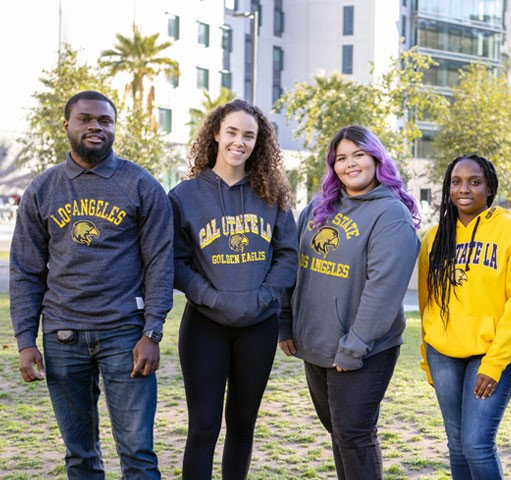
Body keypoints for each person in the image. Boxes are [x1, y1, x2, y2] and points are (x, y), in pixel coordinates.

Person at [9, 90, 174, 479]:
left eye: (105, 120)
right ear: (67, 125)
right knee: (80, 454)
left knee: (138, 453)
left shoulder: (140, 184)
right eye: (85, 119)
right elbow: (26, 270)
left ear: (114, 127)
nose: (95, 126)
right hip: (63, 336)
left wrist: (152, 330)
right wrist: (25, 341)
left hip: (126, 335)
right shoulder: (43, 189)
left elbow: (160, 263)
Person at [278, 125, 421, 479]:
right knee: (340, 435)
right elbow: (291, 267)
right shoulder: (317, 207)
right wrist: (285, 322)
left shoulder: (391, 215)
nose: (350, 164)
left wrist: (354, 346)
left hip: (362, 349)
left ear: (376, 158)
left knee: (354, 436)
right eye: (341, 158)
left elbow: (383, 290)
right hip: (316, 345)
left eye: (358, 155)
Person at [169, 98, 298, 479]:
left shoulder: (272, 195)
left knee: (242, 425)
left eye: (249, 135)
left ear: (259, 143)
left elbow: (288, 255)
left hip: (258, 324)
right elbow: (175, 262)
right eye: (232, 132)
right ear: (215, 133)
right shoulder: (185, 195)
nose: (239, 142)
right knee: (204, 427)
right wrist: (211, 297)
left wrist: (263, 297)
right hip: (206, 325)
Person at [418, 154, 511, 479]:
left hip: (490, 354)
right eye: (456, 182)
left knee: (476, 444)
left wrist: (495, 362)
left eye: (474, 181)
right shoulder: (434, 237)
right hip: (443, 355)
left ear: (489, 187)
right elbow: (426, 301)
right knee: (456, 445)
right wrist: (427, 356)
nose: (463, 189)